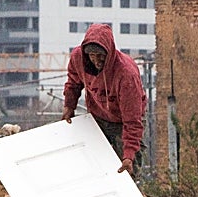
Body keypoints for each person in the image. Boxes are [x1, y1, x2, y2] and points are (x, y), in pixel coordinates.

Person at [62, 23, 146, 175]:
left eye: (101, 55)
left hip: (123, 122)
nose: (96, 60)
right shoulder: (78, 58)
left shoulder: (126, 75)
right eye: (92, 56)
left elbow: (132, 120)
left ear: (110, 52)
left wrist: (128, 156)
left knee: (126, 171)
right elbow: (73, 83)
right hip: (98, 118)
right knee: (95, 165)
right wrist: (69, 106)